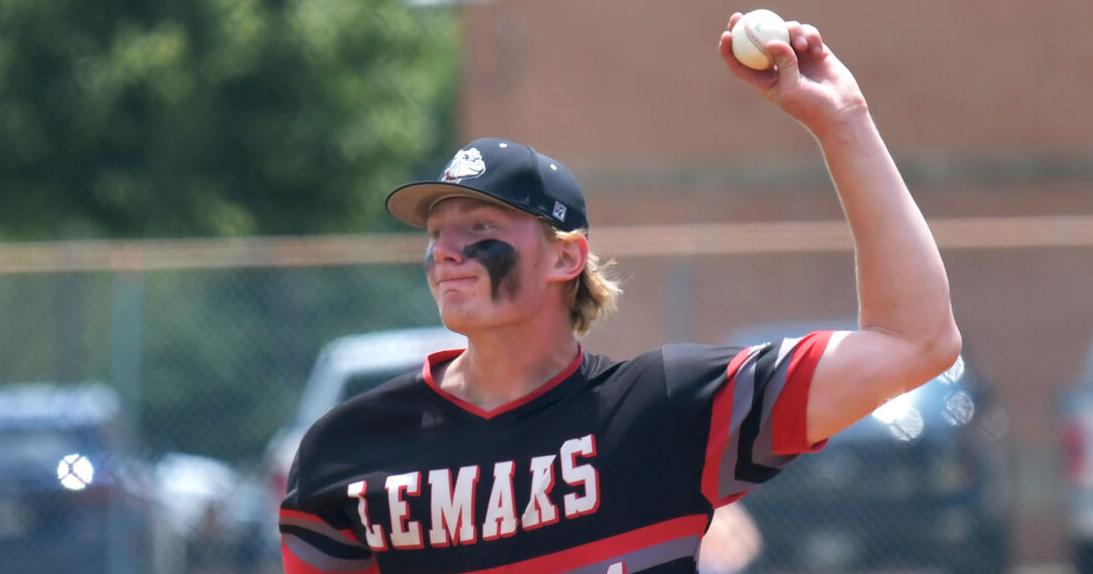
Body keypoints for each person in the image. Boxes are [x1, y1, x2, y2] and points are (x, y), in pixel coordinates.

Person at [278, 12, 961, 574]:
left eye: (480, 227)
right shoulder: (347, 450)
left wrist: (841, 120)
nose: (446, 251)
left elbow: (914, 343)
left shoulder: (662, 412)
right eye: (436, 232)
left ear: (565, 258)